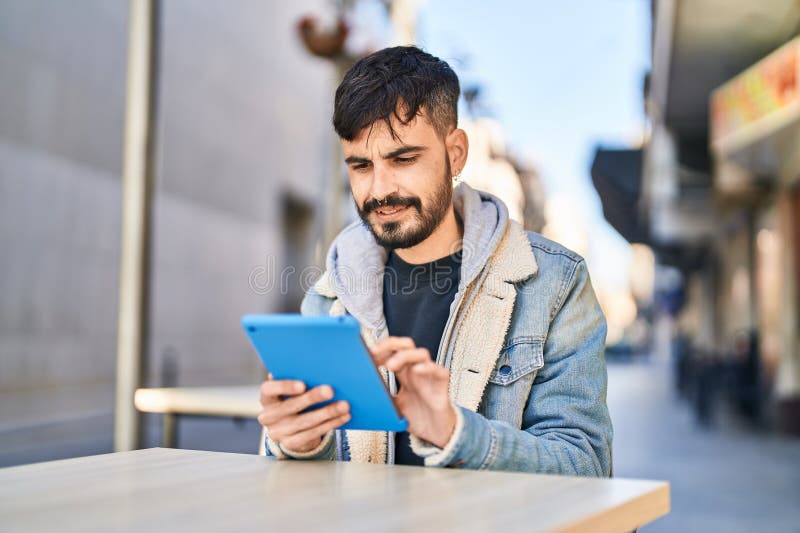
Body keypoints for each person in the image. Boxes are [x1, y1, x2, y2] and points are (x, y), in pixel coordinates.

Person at [257, 46, 612, 475]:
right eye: (360, 165)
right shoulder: (329, 295)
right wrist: (299, 445)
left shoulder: (555, 282)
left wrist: (455, 434)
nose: (380, 188)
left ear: (456, 153)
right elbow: (305, 482)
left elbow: (587, 466)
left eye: (403, 159)